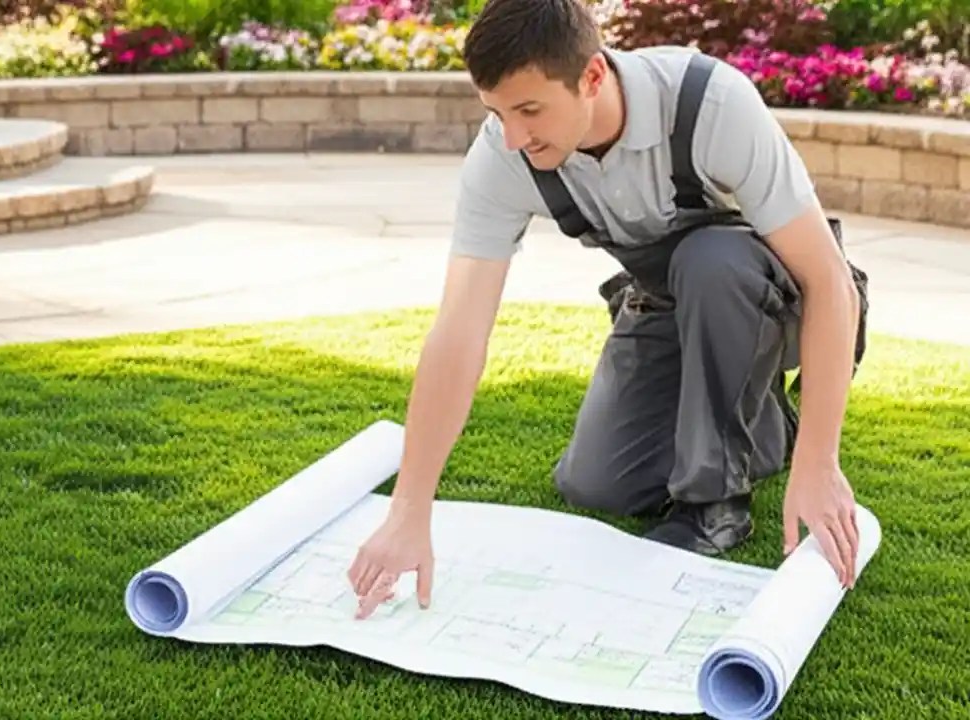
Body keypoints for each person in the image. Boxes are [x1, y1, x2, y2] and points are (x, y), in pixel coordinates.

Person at [347, 0, 868, 621]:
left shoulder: (711, 104)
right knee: (599, 484)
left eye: (530, 110)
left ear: (593, 77)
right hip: (670, 305)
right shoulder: (503, 157)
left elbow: (828, 281)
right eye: (497, 112)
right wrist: (409, 511)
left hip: (780, 303)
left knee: (711, 261)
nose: (514, 136)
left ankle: (714, 505)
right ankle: (764, 425)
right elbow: (458, 331)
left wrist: (820, 460)